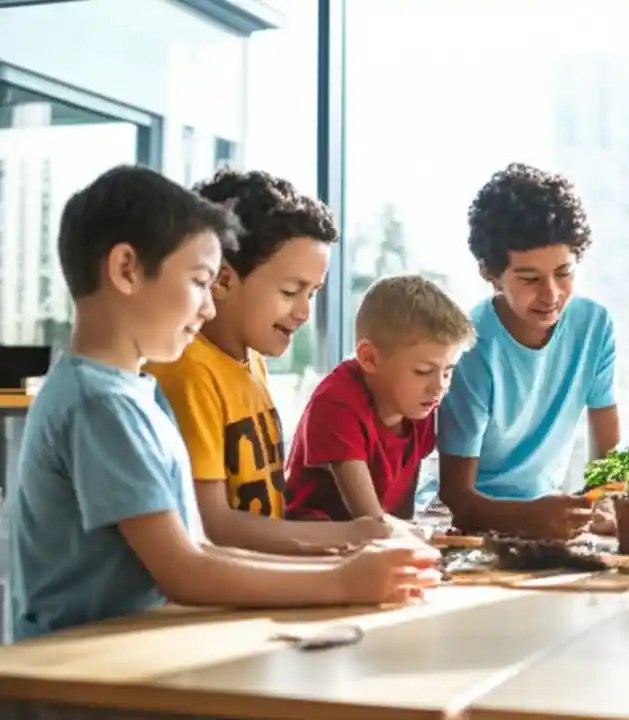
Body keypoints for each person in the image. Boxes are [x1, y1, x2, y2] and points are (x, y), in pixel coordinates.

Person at [10, 166, 438, 640]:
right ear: (126, 269)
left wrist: (348, 562)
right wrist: (343, 578)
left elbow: (196, 548)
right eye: (198, 281)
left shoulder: (132, 395)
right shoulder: (99, 404)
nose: (209, 306)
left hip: (135, 653)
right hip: (80, 681)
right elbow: (184, 569)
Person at [437, 163, 629, 540]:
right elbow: (457, 499)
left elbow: (606, 464)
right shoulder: (471, 346)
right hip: (473, 523)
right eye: (529, 278)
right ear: (489, 273)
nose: (551, 294)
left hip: (546, 515)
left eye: (564, 272)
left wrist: (616, 507)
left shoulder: (593, 326)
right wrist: (532, 517)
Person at [148, 169, 395, 553]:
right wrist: (354, 534)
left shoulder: (252, 361)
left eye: (311, 293)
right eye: (290, 291)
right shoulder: (187, 369)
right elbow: (212, 524)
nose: (303, 312)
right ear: (223, 281)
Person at [286, 274, 473, 522]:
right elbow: (369, 518)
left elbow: (402, 512)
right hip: (317, 537)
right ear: (369, 359)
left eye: (448, 372)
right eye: (423, 371)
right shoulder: (337, 403)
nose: (439, 387)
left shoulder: (419, 403)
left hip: (374, 535)